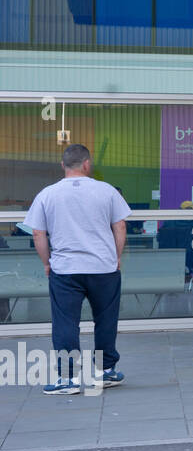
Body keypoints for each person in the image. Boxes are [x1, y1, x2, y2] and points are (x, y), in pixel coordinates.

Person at [23, 144, 130, 394]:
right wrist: (116, 257)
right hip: (103, 267)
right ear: (87, 164)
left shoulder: (48, 194)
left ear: (63, 166)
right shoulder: (107, 191)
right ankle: (105, 372)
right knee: (105, 319)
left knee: (65, 323)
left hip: (65, 269)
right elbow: (120, 227)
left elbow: (38, 233)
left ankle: (67, 379)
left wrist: (47, 263)